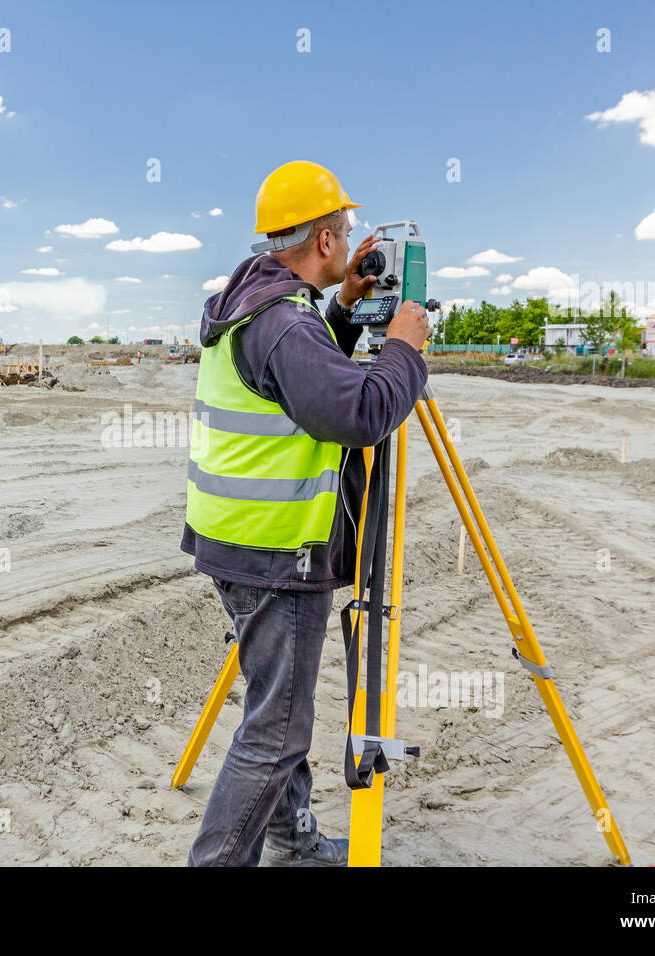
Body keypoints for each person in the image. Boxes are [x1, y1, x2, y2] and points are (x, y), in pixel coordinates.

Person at [182, 160, 431, 867]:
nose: (354, 248)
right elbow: (356, 412)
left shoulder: (260, 305)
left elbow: (304, 382)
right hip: (277, 552)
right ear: (324, 239)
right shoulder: (285, 323)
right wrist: (406, 351)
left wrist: (347, 312)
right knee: (277, 732)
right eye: (346, 234)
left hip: (235, 542)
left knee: (273, 704)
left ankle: (291, 837)